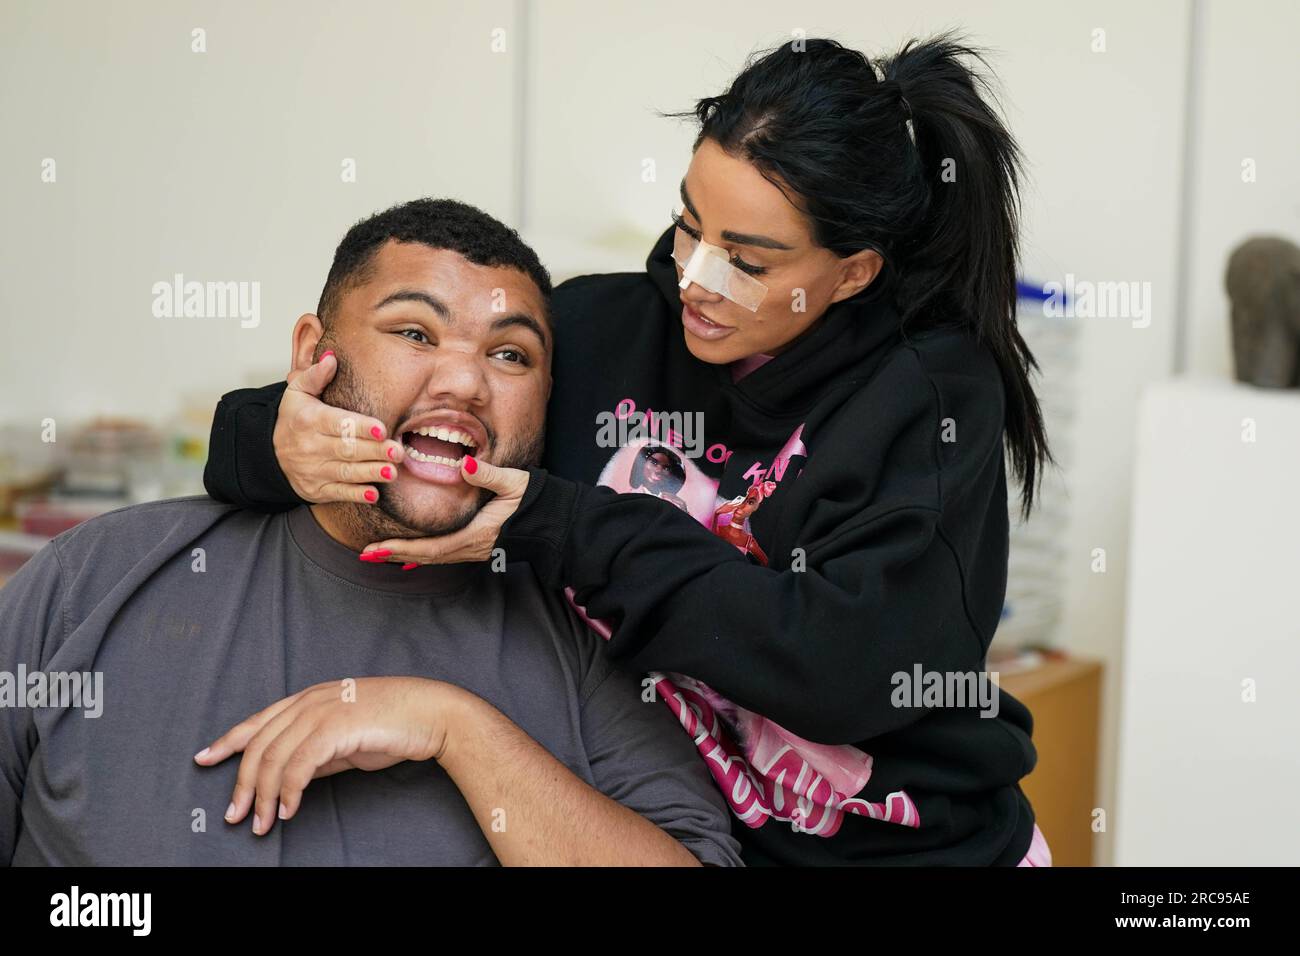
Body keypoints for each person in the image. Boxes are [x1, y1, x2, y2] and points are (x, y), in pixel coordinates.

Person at [202, 36, 1053, 866]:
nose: (698, 280)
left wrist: (564, 526)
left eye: (749, 262)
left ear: (855, 272)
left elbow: (842, 669)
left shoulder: (929, 399)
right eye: (690, 226)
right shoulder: (606, 329)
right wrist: (285, 441)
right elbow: (389, 426)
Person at [0, 199, 742, 867]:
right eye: (416, 332)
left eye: (509, 353)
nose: (463, 384)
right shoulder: (88, 582)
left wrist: (456, 727)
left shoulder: (582, 637)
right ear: (309, 353)